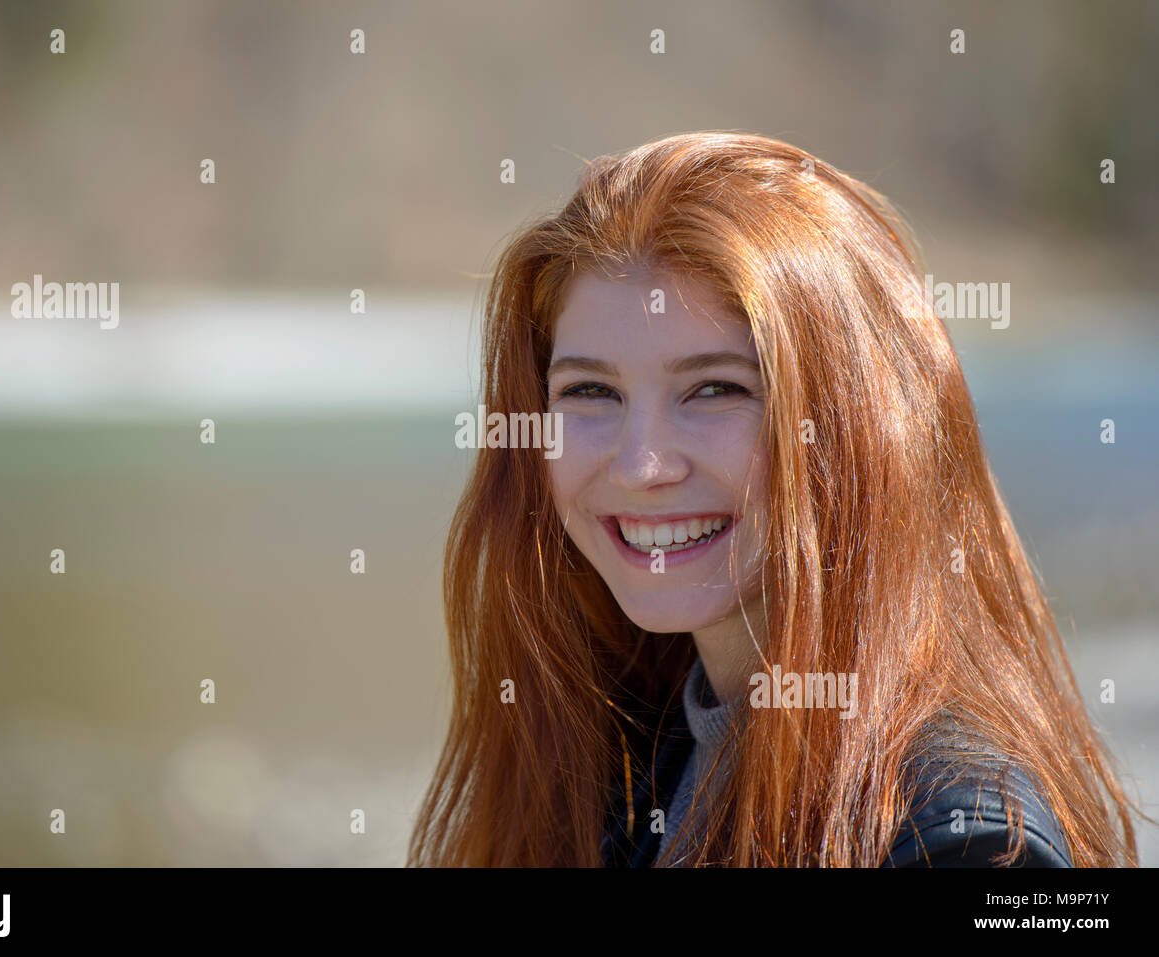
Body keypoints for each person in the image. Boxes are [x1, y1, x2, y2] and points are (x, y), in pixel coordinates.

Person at [407, 131, 1139, 867]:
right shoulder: (626, 759)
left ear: (860, 424)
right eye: (590, 391)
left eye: (716, 389)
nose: (642, 465)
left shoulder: (966, 843)